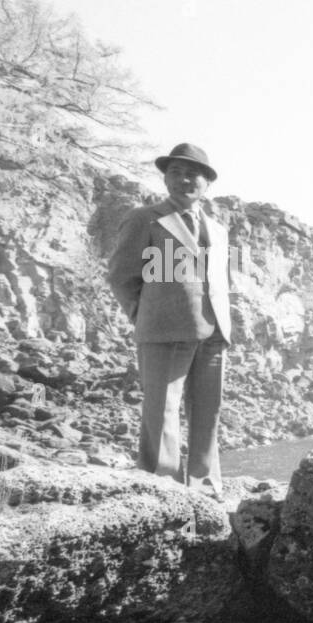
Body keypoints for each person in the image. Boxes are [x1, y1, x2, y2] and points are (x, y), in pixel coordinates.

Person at [107, 143, 232, 500]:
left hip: (213, 333)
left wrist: (225, 325)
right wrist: (144, 315)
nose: (184, 179)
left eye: (193, 173)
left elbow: (222, 282)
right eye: (175, 172)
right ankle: (161, 487)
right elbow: (122, 276)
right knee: (161, 410)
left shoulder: (218, 230)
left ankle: (205, 485)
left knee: (208, 411)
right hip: (162, 330)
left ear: (207, 183)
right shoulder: (143, 218)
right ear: (165, 178)